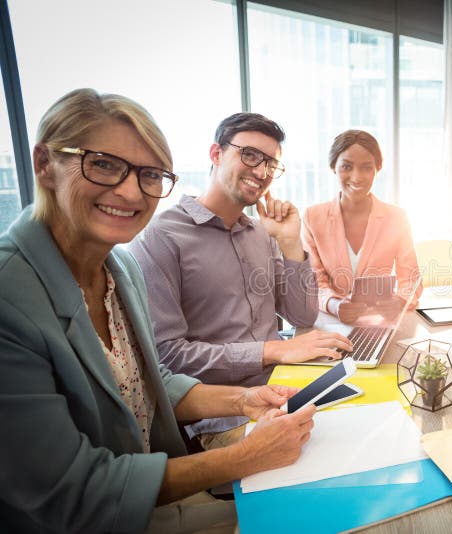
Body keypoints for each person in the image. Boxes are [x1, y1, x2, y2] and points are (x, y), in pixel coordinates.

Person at [0, 88, 316, 533]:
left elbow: (148, 380)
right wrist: (265, 370)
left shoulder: (120, 266)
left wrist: (289, 245)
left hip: (178, 467)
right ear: (45, 165)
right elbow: (70, 491)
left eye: (150, 174)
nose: (130, 192)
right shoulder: (12, 294)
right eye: (104, 165)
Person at [130, 113, 351, 450]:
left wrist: (291, 243)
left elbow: (302, 316)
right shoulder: (162, 237)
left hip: (286, 386)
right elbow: (168, 357)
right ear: (216, 154)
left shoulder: (261, 234)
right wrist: (273, 349)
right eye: (249, 155)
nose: (262, 173)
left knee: (366, 424)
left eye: (271, 164)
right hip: (224, 415)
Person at [301, 129, 422, 324]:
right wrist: (334, 305)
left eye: (366, 168)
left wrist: (400, 301)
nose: (357, 177)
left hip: (381, 322)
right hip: (331, 322)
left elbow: (411, 279)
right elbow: (315, 281)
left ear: (377, 169)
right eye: (347, 167)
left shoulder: (397, 218)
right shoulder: (312, 217)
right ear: (334, 167)